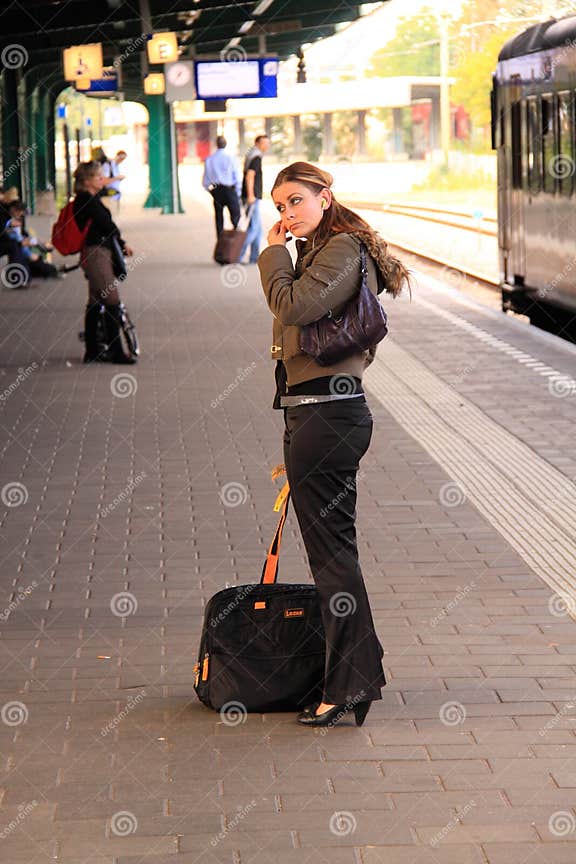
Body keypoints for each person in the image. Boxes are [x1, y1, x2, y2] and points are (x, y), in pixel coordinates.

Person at [258, 162, 409, 727]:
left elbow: (293, 309)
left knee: (332, 558)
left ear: (326, 197)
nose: (287, 215)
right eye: (279, 207)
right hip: (313, 415)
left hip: (329, 414)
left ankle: (350, 681)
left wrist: (271, 258)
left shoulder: (341, 250)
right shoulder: (319, 252)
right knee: (332, 555)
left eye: (296, 201)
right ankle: (357, 671)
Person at [72, 161, 136, 364]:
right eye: (98, 177)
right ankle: (116, 351)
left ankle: (92, 350)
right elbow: (106, 224)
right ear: (88, 181)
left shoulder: (90, 198)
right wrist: (122, 241)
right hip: (96, 254)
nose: (102, 179)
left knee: (95, 301)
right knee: (112, 300)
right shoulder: (85, 201)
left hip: (99, 252)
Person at [239, 134, 270, 264]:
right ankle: (237, 254)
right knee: (253, 228)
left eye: (268, 143)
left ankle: (254, 257)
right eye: (264, 143)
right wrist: (251, 195)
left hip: (251, 196)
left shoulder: (252, 154)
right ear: (257, 143)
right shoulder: (256, 157)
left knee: (257, 229)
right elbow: (250, 176)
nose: (267, 146)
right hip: (252, 197)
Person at [202, 136, 241, 239]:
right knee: (235, 216)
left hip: (216, 190)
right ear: (226, 144)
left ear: (216, 144)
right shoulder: (231, 158)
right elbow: (237, 177)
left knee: (219, 219)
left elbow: (205, 181)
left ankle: (220, 244)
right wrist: (238, 192)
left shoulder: (209, 159)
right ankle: (235, 242)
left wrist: (211, 191)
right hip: (229, 190)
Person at [0, 188, 31, 288]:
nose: (19, 216)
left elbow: (22, 232)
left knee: (19, 246)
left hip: (6, 242)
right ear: (13, 209)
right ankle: (17, 278)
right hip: (4, 243)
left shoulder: (8, 215)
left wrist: (26, 238)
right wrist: (8, 225)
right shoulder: (3, 214)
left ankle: (22, 277)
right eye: (18, 213)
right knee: (15, 245)